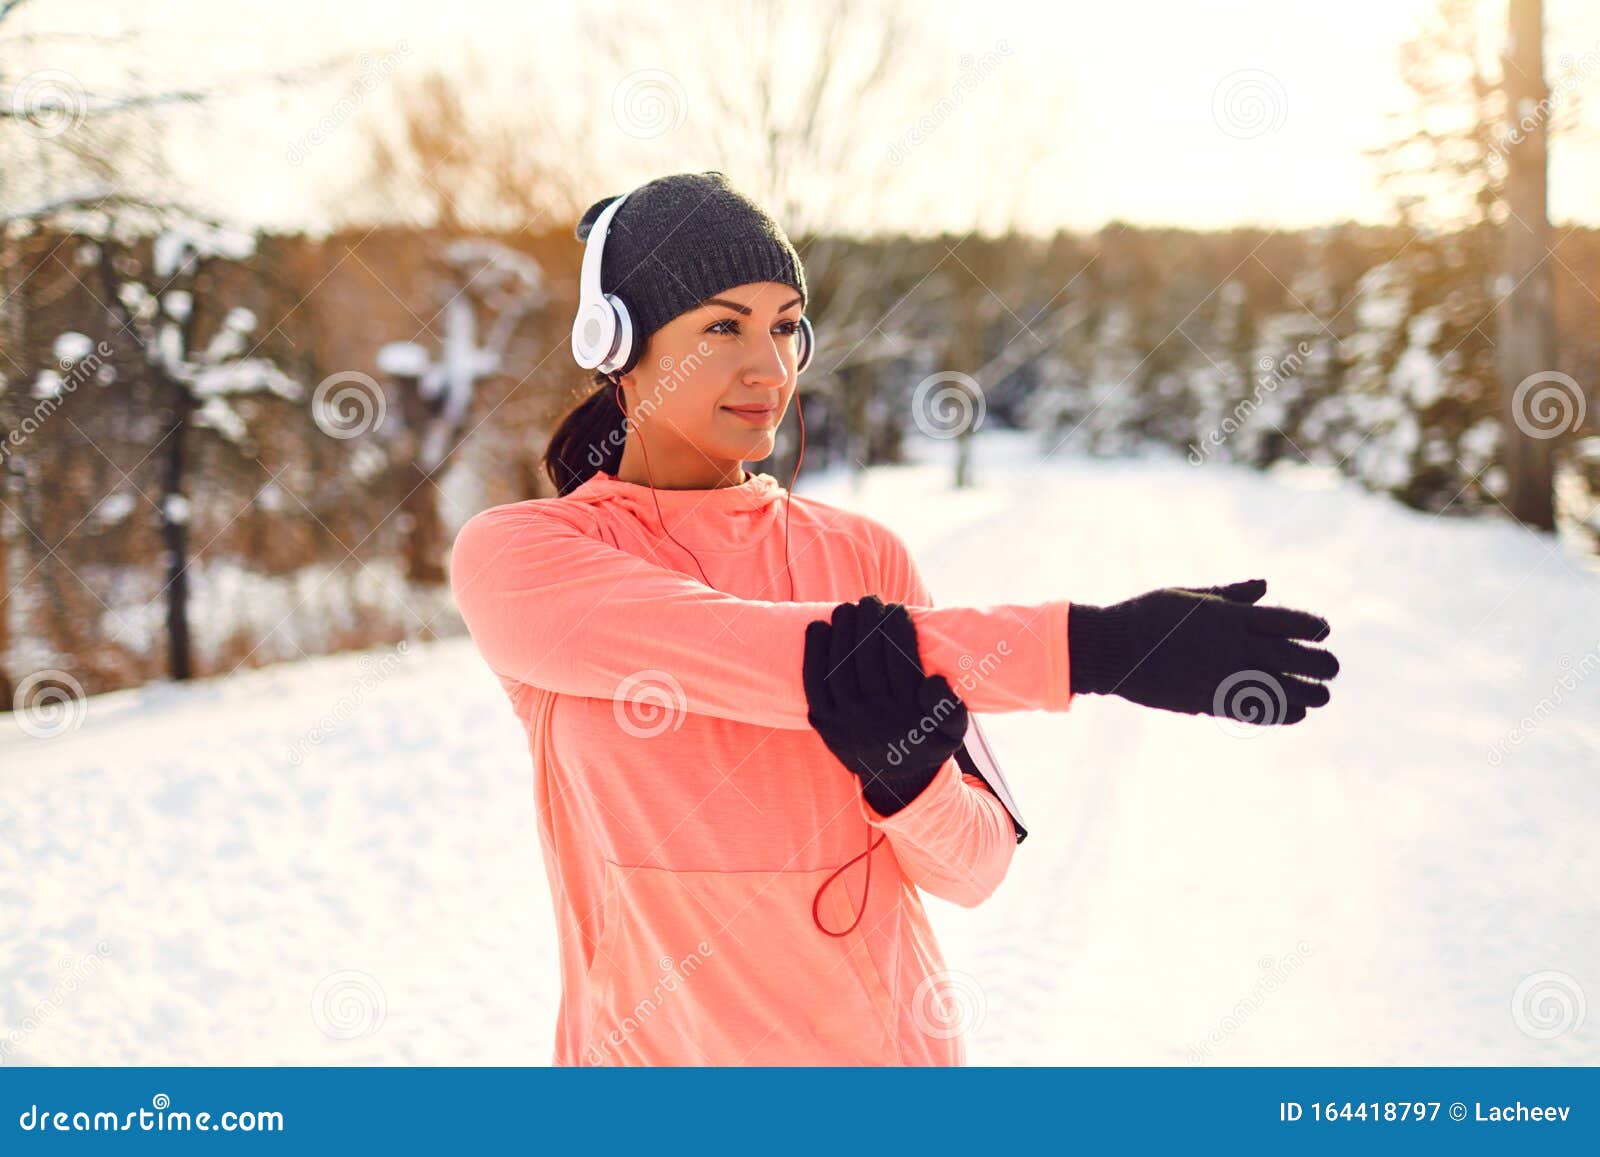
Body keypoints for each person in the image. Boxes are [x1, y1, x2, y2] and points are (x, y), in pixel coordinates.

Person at [448, 171, 1339, 1067]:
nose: (770, 367)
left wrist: (909, 779)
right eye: (723, 325)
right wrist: (1097, 647)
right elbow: (750, 650)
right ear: (616, 341)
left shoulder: (868, 558)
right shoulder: (524, 559)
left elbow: (977, 867)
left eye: (787, 325)